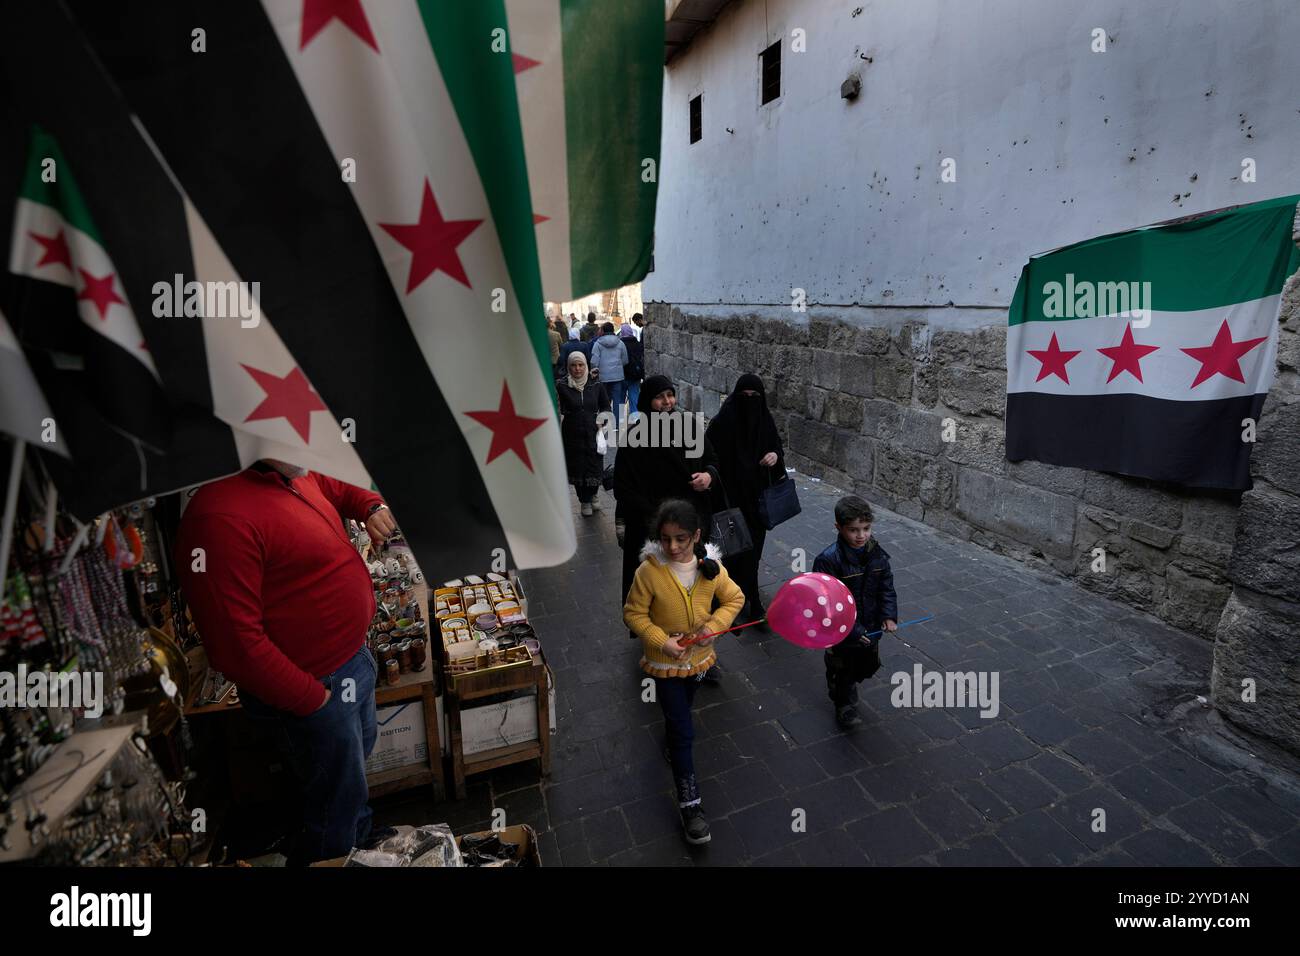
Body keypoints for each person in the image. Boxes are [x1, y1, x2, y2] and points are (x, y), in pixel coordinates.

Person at [175, 459, 398, 864]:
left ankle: (358, 841)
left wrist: (370, 506)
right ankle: (333, 856)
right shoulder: (216, 520)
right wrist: (314, 700)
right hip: (317, 689)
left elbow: (334, 484)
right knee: (333, 802)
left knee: (350, 781)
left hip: (351, 663)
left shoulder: (290, 468)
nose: (307, 445)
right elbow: (235, 647)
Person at [623, 499, 744, 845]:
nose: (672, 547)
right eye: (665, 539)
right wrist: (661, 641)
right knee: (683, 730)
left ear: (696, 536)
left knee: (684, 711)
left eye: (681, 539)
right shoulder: (648, 573)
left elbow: (735, 599)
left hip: (700, 662)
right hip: (664, 665)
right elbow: (633, 614)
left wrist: (716, 626)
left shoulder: (712, 569)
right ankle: (691, 805)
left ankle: (674, 736)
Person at [613, 375, 717, 608]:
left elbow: (712, 458)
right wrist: (659, 517)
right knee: (657, 591)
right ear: (647, 401)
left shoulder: (688, 426)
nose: (667, 402)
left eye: (670, 395)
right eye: (659, 397)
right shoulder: (634, 438)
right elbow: (623, 488)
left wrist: (708, 475)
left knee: (690, 583)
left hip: (691, 522)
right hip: (651, 529)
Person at [704, 374, 784, 628]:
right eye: (744, 396)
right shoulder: (722, 423)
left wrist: (774, 456)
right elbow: (709, 456)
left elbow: (776, 449)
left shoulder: (765, 421)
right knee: (731, 551)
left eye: (755, 397)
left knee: (753, 552)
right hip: (729, 499)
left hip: (756, 500)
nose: (749, 401)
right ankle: (729, 597)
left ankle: (752, 600)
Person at [812, 495, 898, 729]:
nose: (861, 536)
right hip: (843, 630)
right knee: (845, 670)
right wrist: (851, 630)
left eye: (866, 528)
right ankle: (844, 703)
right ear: (838, 528)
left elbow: (886, 586)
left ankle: (843, 679)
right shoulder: (829, 560)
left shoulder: (876, 554)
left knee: (868, 664)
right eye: (853, 530)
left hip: (870, 624)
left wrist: (888, 615)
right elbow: (826, 603)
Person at [557, 351, 610, 516]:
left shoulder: (595, 384)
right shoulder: (561, 385)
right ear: (568, 366)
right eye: (573, 365)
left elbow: (606, 407)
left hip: (593, 432)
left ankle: (593, 494)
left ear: (586, 365)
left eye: (580, 365)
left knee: (594, 465)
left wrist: (602, 420)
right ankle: (584, 500)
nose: (577, 369)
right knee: (578, 467)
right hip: (572, 433)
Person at [589, 322, 629, 426]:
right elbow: (625, 360)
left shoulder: (598, 344)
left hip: (603, 377)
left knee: (604, 400)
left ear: (603, 330)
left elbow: (594, 361)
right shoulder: (620, 343)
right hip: (617, 376)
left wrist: (595, 370)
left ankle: (605, 422)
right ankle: (617, 423)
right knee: (617, 400)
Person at [619, 319, 645, 420]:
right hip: (635, 375)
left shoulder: (619, 344)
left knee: (620, 397)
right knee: (634, 396)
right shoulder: (637, 344)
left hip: (622, 375)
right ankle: (635, 417)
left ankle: (620, 417)